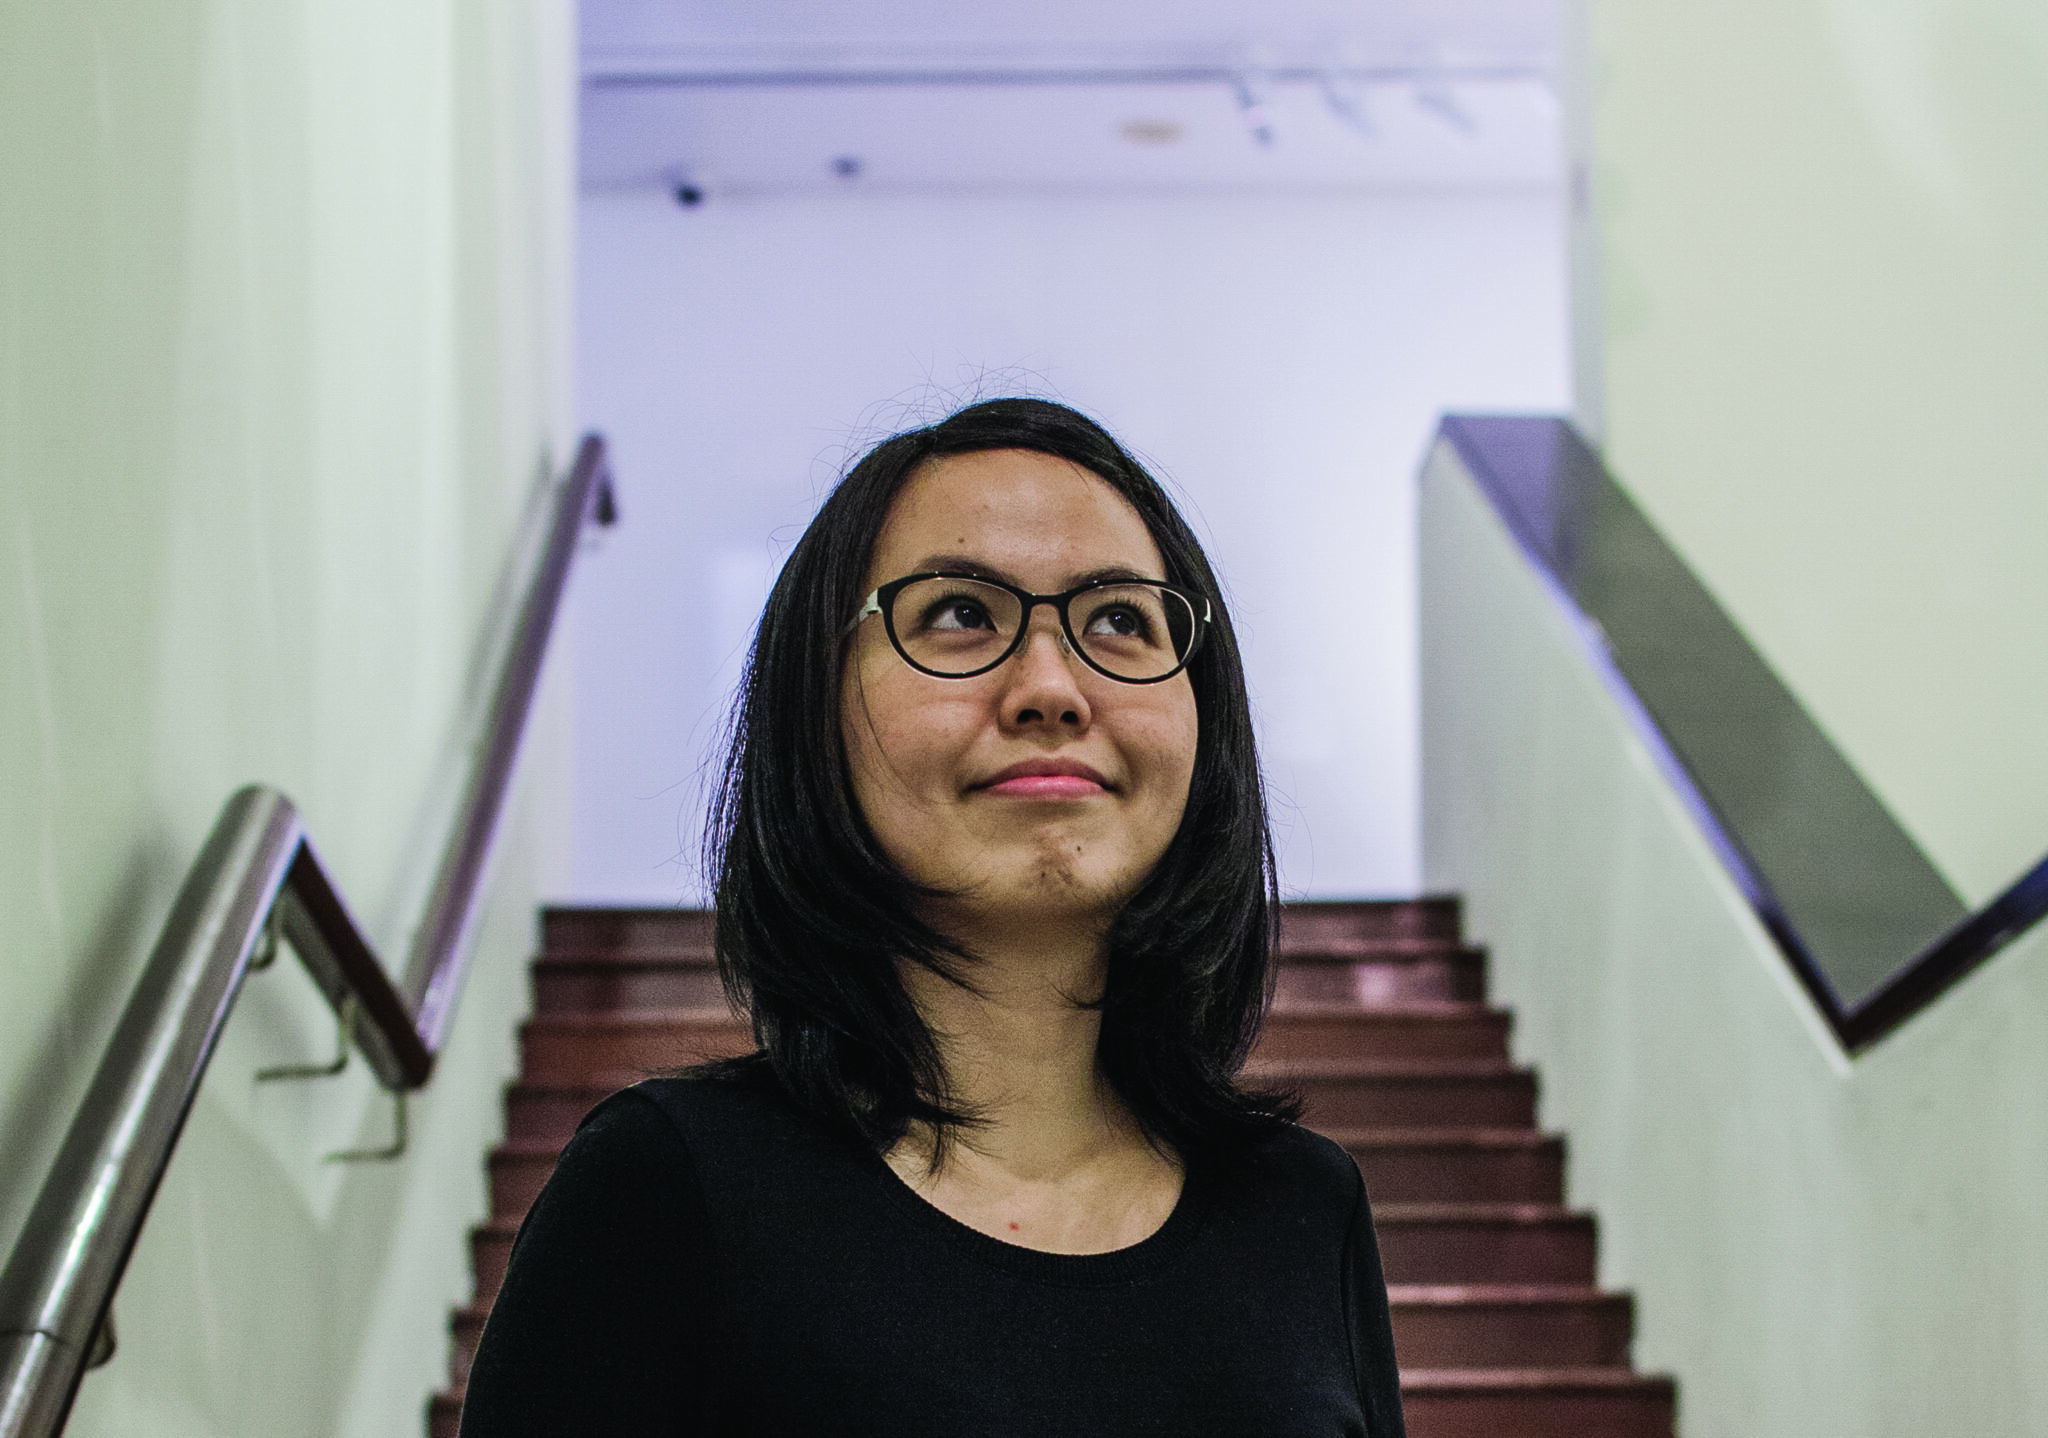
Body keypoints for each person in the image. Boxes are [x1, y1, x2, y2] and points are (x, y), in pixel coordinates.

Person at [459, 398, 1407, 1436]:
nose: (1050, 687)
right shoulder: (666, 1190)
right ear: (814, 707)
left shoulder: (1300, 1208)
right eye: (958, 613)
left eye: (1118, 620)